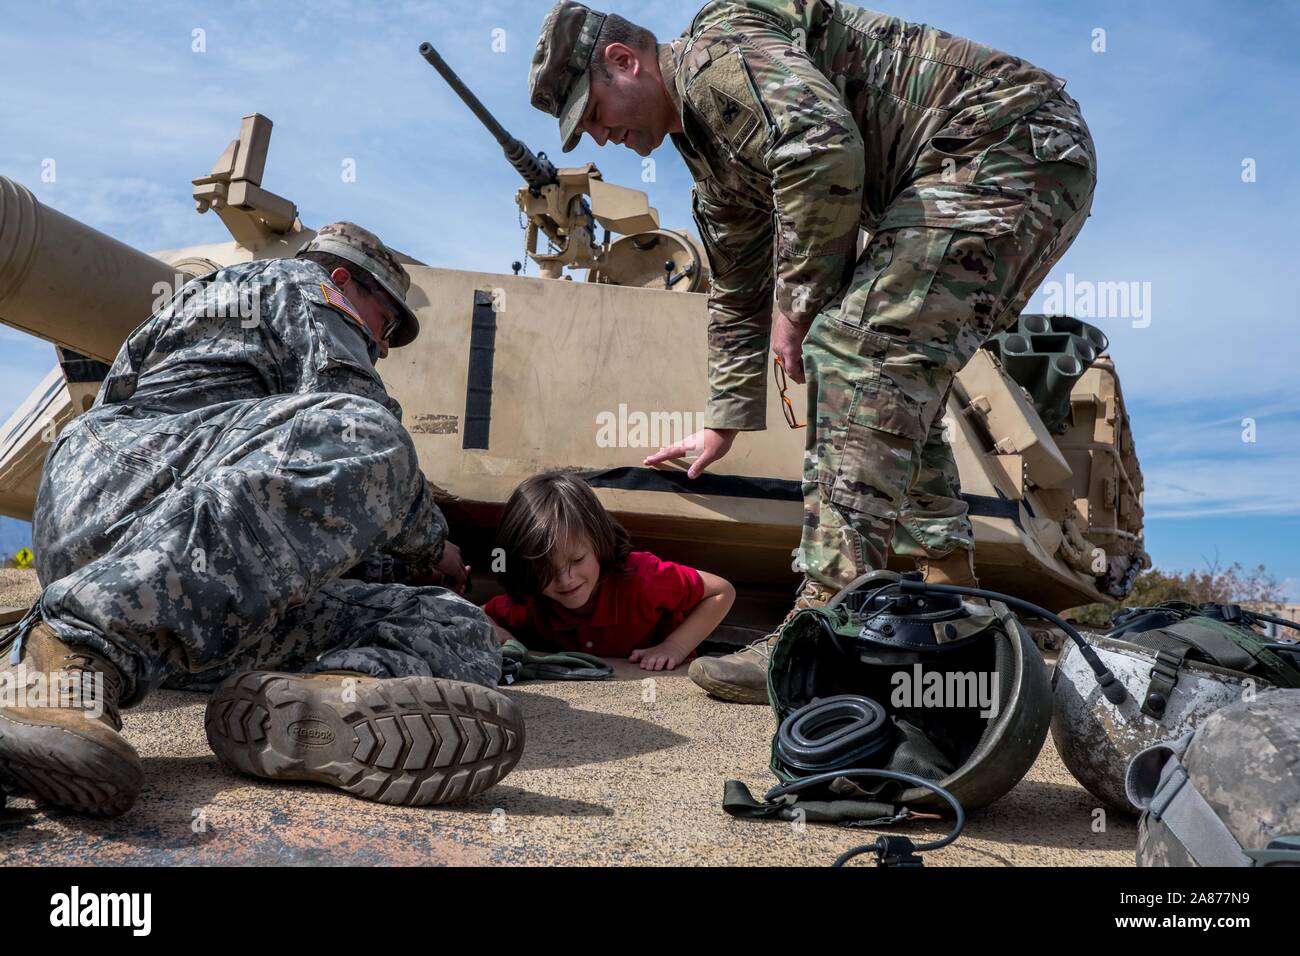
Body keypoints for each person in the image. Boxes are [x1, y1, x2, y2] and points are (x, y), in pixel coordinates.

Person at [529, 0, 1097, 703]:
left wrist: (799, 304)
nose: (597, 136)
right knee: (889, 371)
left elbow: (822, 147)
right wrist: (724, 418)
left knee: (857, 346)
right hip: (996, 158)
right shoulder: (714, 160)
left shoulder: (715, 60)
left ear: (625, 59)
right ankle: (952, 594)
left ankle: (826, 618)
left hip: (1004, 141)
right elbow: (737, 291)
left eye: (593, 111)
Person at [0, 222, 523, 816]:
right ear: (345, 281)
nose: (381, 345)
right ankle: (71, 657)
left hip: (187, 577)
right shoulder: (300, 283)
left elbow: (298, 511)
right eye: (385, 324)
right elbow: (358, 428)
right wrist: (433, 548)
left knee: (457, 628)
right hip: (126, 500)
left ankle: (324, 701)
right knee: (371, 436)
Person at [483, 472, 735, 671]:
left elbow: (721, 591)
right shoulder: (531, 601)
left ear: (599, 541)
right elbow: (479, 613)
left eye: (578, 559)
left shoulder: (644, 579)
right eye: (544, 569)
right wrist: (503, 637)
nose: (565, 579)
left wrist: (674, 647)